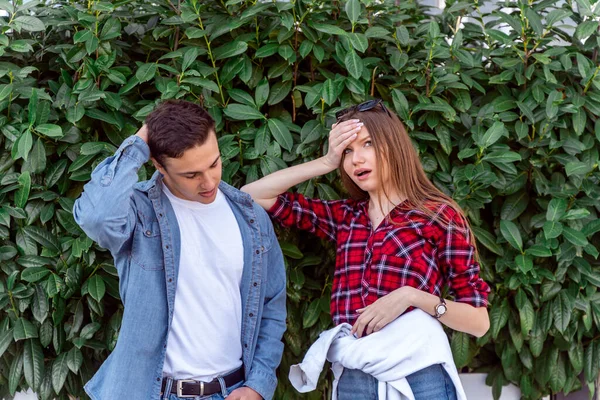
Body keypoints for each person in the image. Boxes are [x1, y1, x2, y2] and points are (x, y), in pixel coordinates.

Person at [241, 99, 490, 400]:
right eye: (348, 150)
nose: (356, 159)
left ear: (394, 145)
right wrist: (325, 162)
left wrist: (410, 297)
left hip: (420, 375)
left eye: (368, 144)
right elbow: (252, 196)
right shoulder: (346, 216)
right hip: (353, 378)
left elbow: (479, 322)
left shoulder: (439, 215)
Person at [73, 100, 287, 400]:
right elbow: (97, 216)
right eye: (191, 174)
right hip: (154, 393)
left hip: (232, 392)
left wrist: (257, 385)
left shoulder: (250, 216)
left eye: (214, 163)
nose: (209, 181)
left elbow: (271, 305)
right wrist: (141, 141)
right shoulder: (139, 212)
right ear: (159, 164)